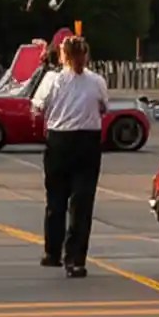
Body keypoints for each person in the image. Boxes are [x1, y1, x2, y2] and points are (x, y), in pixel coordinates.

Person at [33, 36, 109, 279]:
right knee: (82, 202)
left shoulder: (52, 80)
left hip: (59, 141)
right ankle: (75, 258)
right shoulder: (97, 81)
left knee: (56, 200)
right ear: (85, 56)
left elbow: (37, 107)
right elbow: (103, 108)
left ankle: (52, 251)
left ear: (62, 56)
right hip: (87, 142)